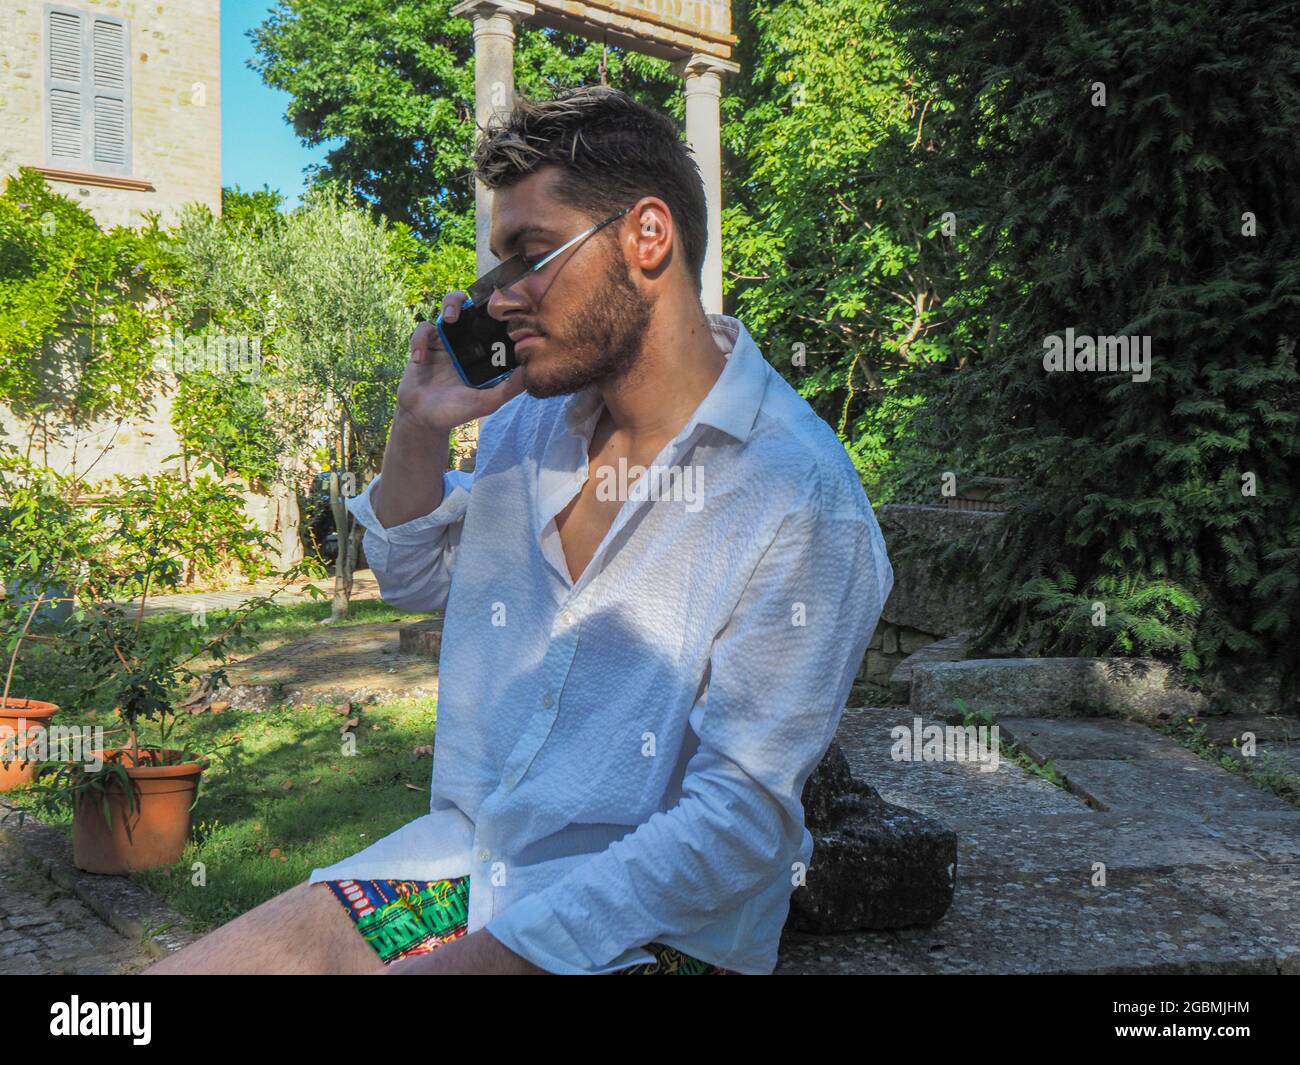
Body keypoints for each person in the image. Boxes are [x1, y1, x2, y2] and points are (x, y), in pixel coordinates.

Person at [143, 85, 893, 976]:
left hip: (662, 934)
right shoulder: (526, 428)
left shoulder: (800, 494)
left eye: (530, 255)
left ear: (647, 236)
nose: (499, 300)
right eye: (500, 267)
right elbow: (416, 579)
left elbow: (735, 826)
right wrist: (419, 424)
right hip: (468, 861)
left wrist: (479, 959)